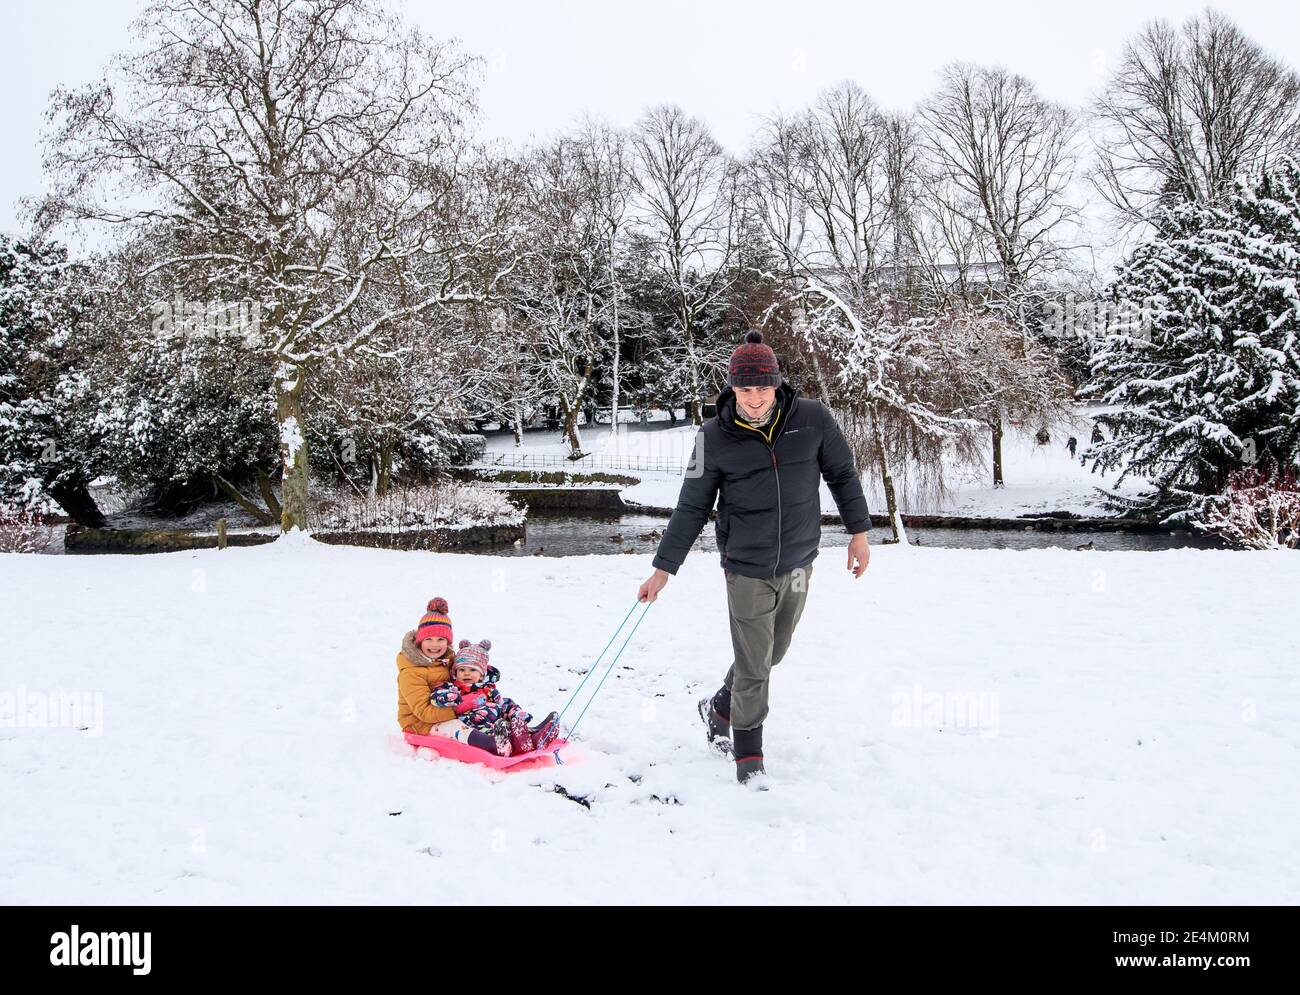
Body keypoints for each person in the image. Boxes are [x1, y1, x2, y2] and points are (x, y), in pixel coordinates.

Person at [637, 330, 872, 785]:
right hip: (745, 566)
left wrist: (859, 534)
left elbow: (842, 474)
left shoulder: (812, 419)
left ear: (777, 384)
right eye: (746, 389)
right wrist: (663, 569)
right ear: (732, 389)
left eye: (763, 388)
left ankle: (719, 706)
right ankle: (750, 760)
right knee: (753, 666)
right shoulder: (713, 437)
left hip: (800, 561)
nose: (756, 398)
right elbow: (691, 505)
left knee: (772, 652)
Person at [394, 597, 512, 756]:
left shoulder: (447, 661)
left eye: (441, 639)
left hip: (448, 709)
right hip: (419, 723)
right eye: (429, 639)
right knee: (456, 727)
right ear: (419, 642)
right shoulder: (411, 672)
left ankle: (519, 734)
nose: (435, 645)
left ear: (448, 642)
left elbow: (465, 673)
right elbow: (423, 712)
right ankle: (491, 744)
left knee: (489, 710)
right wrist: (460, 707)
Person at [430, 638, 560, 755]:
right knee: (499, 731)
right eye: (462, 670)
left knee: (506, 704)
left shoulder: (488, 689)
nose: (466, 673)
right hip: (475, 723)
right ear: (455, 672)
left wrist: (514, 713)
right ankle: (515, 741)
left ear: (481, 675)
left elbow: (502, 704)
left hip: (498, 722)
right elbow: (436, 695)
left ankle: (533, 734)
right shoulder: (453, 687)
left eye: (473, 670)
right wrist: (448, 697)